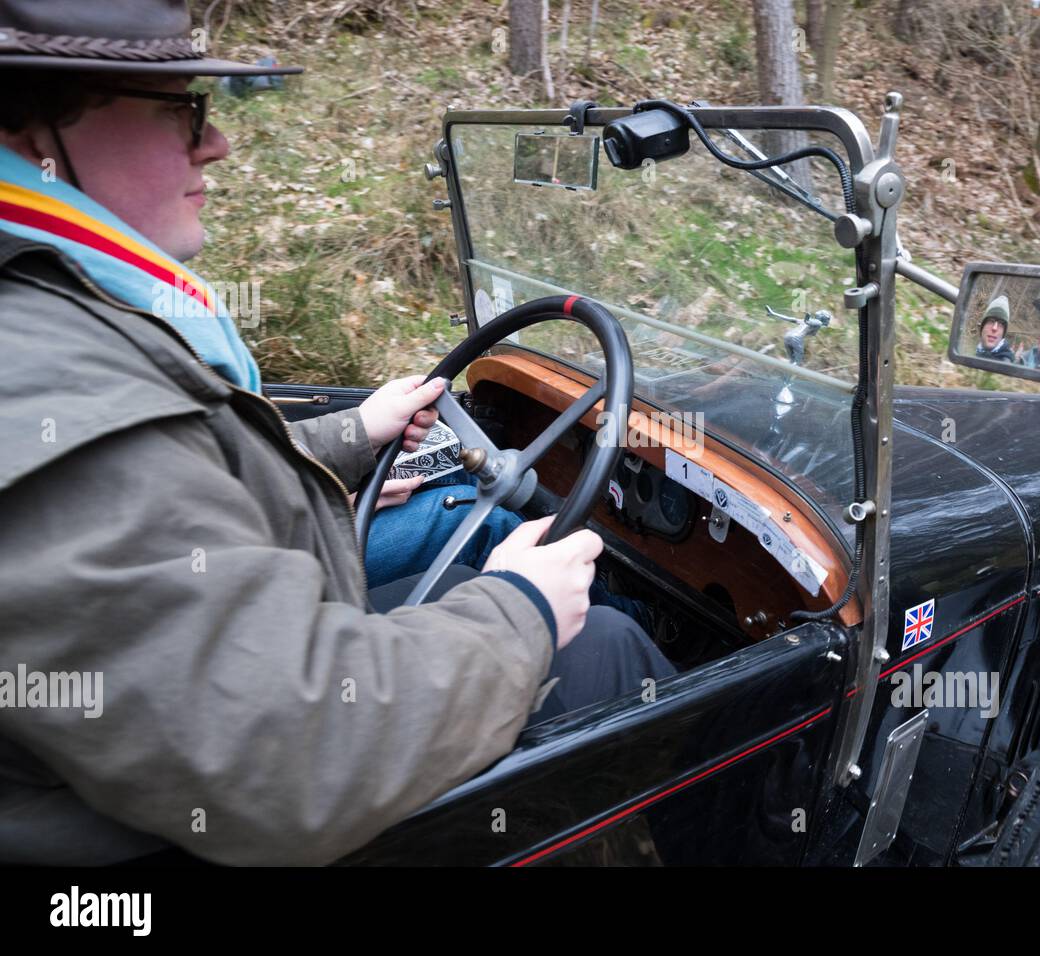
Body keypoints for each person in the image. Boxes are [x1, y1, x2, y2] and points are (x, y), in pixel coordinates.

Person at [0, 0, 672, 866]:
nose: (216, 145)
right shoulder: (44, 373)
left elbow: (171, 474)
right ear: (34, 135)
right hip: (195, 826)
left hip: (172, 760)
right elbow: (287, 752)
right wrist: (523, 612)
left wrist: (350, 435)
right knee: (606, 646)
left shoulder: (57, 305)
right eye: (180, 110)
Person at [973, 295, 1015, 362]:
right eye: (991, 321)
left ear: (1003, 333)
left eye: (1001, 324)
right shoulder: (977, 353)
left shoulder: (1005, 363)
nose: (994, 328)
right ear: (982, 327)